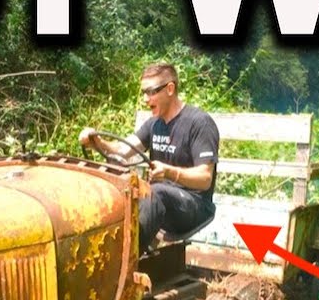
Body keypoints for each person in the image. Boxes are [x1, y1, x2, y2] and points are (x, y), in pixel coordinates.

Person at [79, 63, 220, 251]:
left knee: (155, 192)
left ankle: (126, 262)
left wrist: (170, 173)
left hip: (194, 204)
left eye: (151, 92)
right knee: (123, 193)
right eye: (144, 92)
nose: (146, 99)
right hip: (159, 200)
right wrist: (97, 142)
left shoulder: (199, 123)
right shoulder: (154, 123)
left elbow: (205, 179)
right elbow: (122, 150)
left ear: (170, 89)